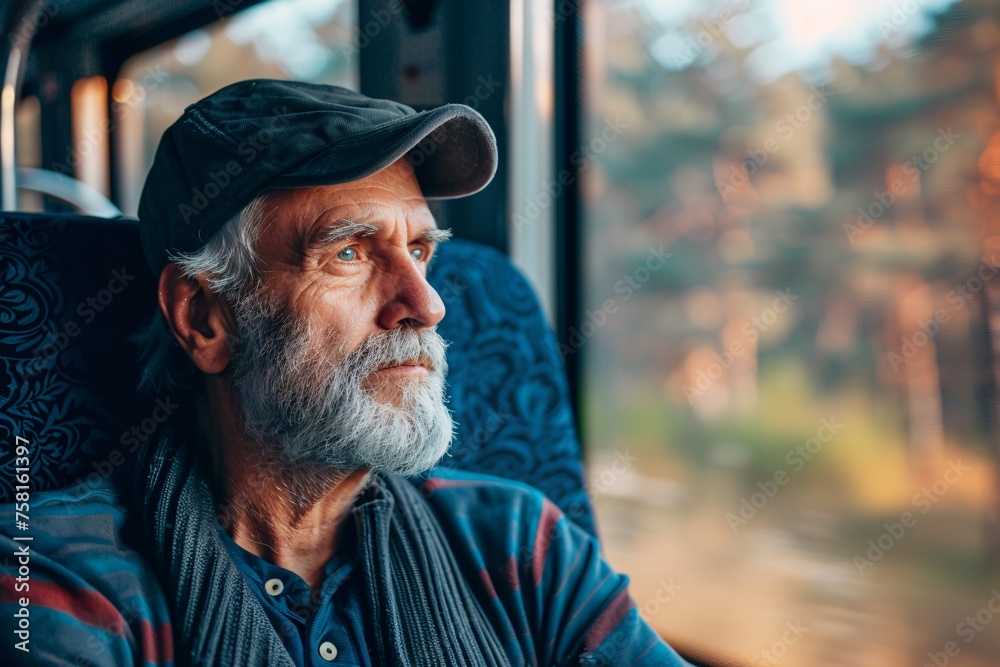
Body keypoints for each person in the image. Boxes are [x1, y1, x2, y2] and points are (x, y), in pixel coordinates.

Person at [0, 79, 690, 666]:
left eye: (419, 250)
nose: (427, 303)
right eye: (350, 254)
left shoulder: (521, 545)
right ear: (204, 318)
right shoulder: (55, 581)